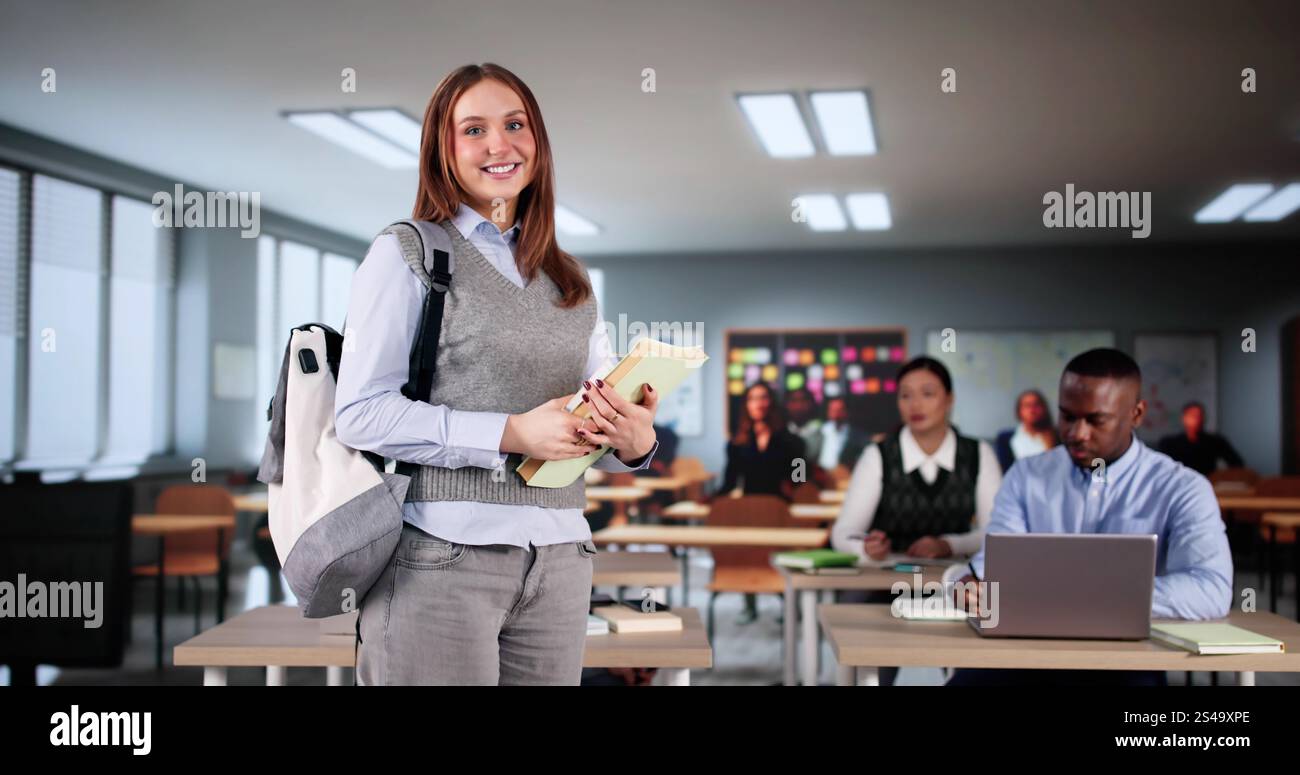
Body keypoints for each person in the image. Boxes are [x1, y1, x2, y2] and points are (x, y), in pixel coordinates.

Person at [335, 63, 659, 685]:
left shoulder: (572, 279)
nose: (499, 145)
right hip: (441, 555)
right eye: (473, 129)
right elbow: (360, 413)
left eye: (515, 125)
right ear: (443, 149)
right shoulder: (408, 253)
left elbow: (596, 425)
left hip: (562, 558)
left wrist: (636, 441)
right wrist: (509, 433)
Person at [947, 349, 1233, 686]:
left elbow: (1211, 588)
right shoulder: (1025, 476)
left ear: (1136, 414)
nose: (1077, 433)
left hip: (1126, 660)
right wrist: (971, 582)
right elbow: (996, 558)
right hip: (1023, 652)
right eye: (1067, 416)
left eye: (1096, 420)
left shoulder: (1183, 488)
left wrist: (1090, 597)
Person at [831, 357, 1001, 562]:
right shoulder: (878, 455)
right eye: (905, 395)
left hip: (955, 581)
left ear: (949, 399)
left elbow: (996, 533)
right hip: (887, 580)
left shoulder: (978, 453)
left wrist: (949, 545)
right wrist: (865, 547)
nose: (915, 404)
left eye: (928, 394)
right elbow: (842, 533)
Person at [721, 382, 806, 623]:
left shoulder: (791, 440)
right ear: (746, 405)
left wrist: (794, 485)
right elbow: (729, 481)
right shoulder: (737, 442)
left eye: (763, 397)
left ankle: (788, 604)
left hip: (780, 507)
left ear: (772, 403)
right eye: (752, 398)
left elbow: (800, 474)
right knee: (749, 556)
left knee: (782, 557)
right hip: (749, 508)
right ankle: (749, 606)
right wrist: (713, 500)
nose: (758, 403)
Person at [1157, 401, 1244, 476]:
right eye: (1192, 416)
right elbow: (1161, 468)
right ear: (1184, 418)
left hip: (1208, 483)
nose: (1196, 419)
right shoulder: (1170, 443)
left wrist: (1220, 477)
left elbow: (1237, 463)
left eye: (1199, 416)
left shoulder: (1215, 441)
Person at [993, 389, 1060, 472]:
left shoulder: (1057, 437)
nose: (1032, 410)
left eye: (1036, 405)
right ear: (1019, 411)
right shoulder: (1006, 438)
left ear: (1044, 408)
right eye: (1027, 405)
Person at [817, 396, 870, 473]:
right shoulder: (820, 432)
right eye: (833, 410)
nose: (836, 413)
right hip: (821, 476)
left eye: (839, 410)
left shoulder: (857, 436)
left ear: (846, 412)